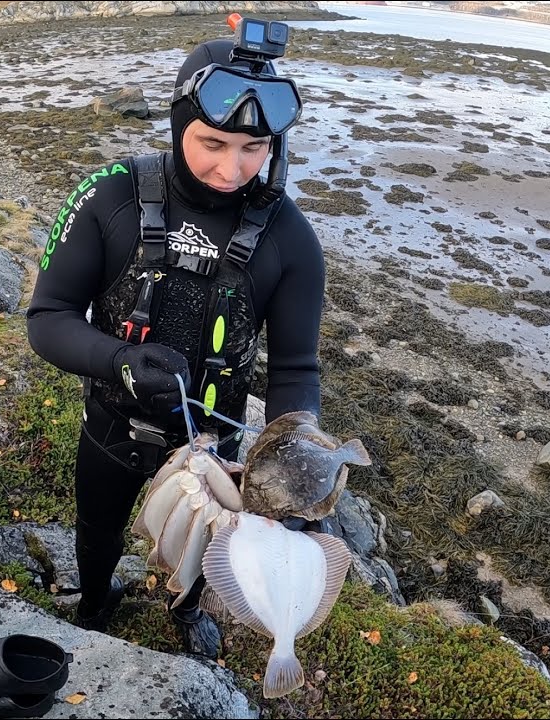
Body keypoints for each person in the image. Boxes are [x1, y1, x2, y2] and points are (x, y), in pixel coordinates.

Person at [25, 22, 326, 660]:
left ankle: (188, 607)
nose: (231, 168)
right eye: (211, 142)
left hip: (217, 449)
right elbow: (48, 316)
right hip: (113, 423)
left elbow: (295, 369)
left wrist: (293, 466)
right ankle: (95, 601)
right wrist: (119, 359)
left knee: (208, 547)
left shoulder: (290, 238)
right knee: (98, 528)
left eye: (254, 148)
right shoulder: (110, 195)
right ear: (177, 125)